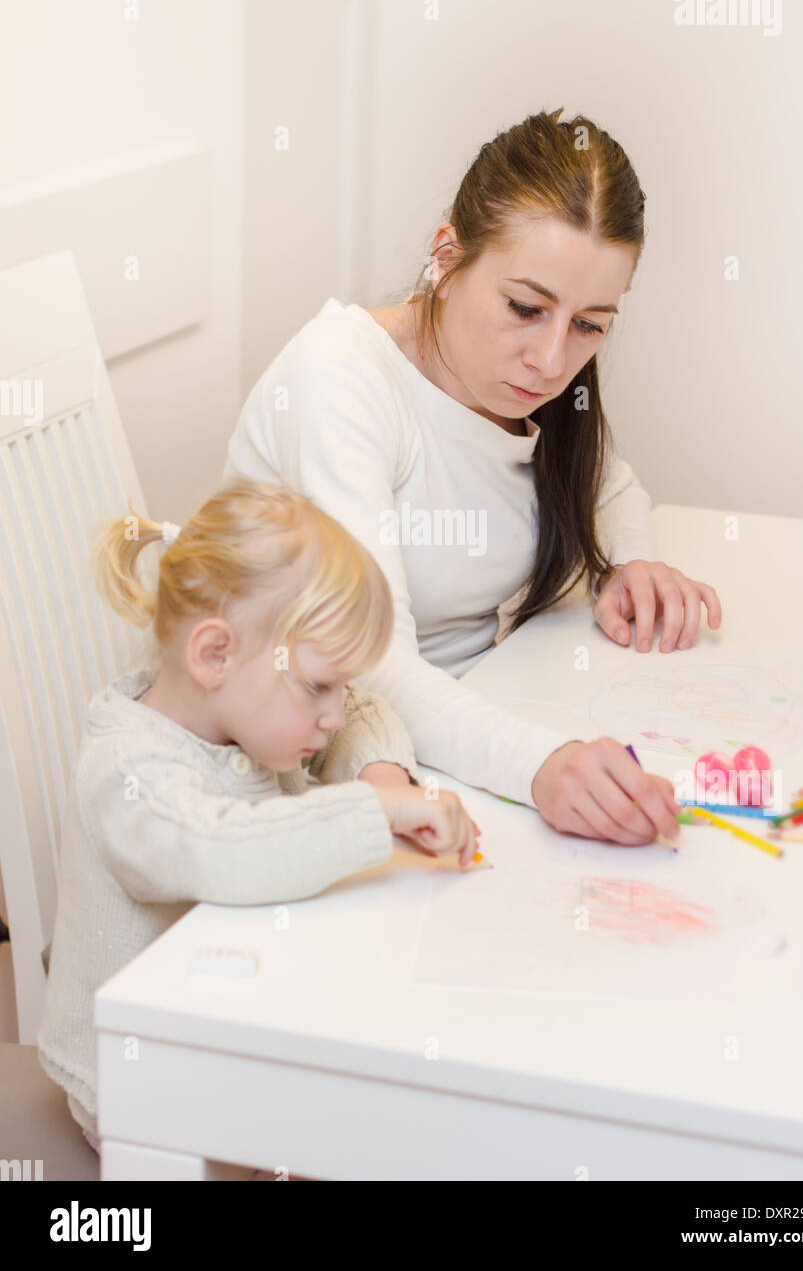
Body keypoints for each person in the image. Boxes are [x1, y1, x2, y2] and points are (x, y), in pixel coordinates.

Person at [224, 108, 721, 847]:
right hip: (312, 779)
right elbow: (371, 665)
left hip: (454, 749)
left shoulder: (520, 388)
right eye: (525, 307)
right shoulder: (340, 381)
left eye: (590, 325)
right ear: (447, 255)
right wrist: (544, 766)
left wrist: (631, 562)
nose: (551, 360)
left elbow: (608, 486)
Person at [36, 479, 479, 1158]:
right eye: (317, 687)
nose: (332, 712)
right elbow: (224, 848)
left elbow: (360, 714)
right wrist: (373, 811)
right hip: (138, 1083)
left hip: (235, 1019)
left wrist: (380, 774)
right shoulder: (128, 774)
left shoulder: (248, 714)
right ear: (215, 655)